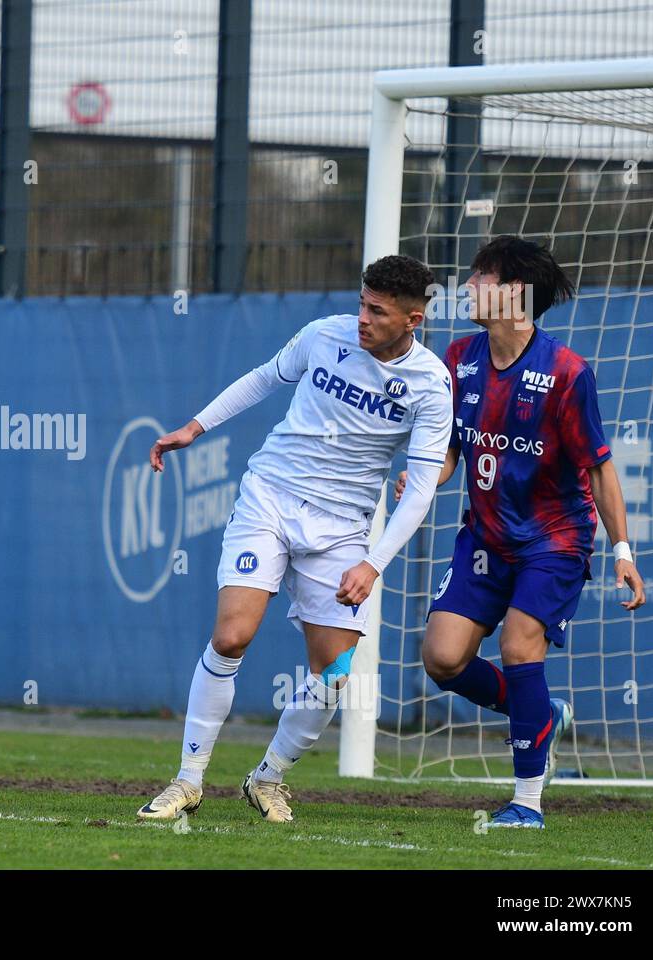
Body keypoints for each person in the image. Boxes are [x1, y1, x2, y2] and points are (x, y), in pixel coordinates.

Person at [137, 255, 453, 824]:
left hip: (342, 529)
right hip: (271, 498)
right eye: (361, 303)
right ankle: (186, 781)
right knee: (232, 636)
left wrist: (374, 563)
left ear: (413, 320)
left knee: (333, 672)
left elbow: (422, 489)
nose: (362, 318)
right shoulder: (323, 336)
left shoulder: (431, 385)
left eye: (377, 312)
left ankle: (268, 777)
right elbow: (264, 378)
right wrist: (193, 427)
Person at [405, 236, 646, 829]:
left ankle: (528, 803)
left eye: (479, 278)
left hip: (554, 541)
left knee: (518, 646)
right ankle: (539, 711)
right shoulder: (459, 358)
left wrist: (621, 550)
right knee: (442, 658)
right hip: (485, 539)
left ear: (513, 292)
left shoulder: (565, 374)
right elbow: (451, 448)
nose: (466, 289)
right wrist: (423, 480)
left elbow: (598, 467)